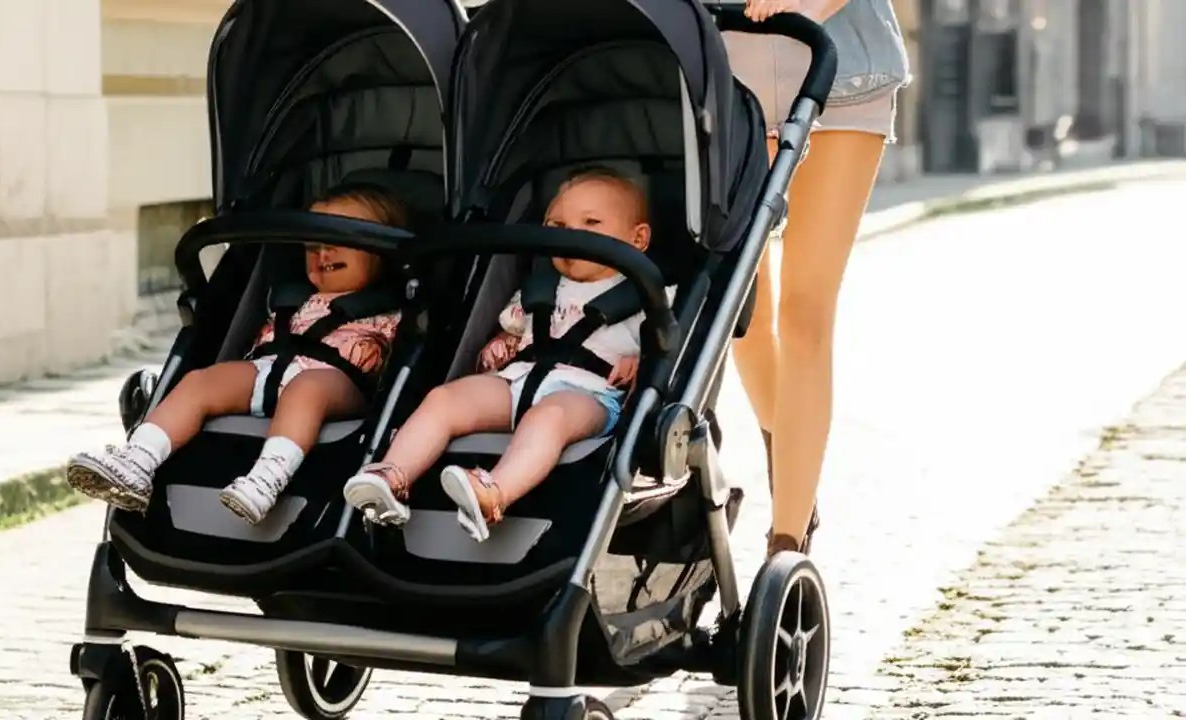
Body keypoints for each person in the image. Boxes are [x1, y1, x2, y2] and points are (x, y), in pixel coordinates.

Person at [341, 167, 658, 542]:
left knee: (549, 418)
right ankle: (391, 475)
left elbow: (669, 343)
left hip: (588, 394)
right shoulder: (538, 289)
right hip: (518, 379)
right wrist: (496, 352)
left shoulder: (647, 293)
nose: (569, 236)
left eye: (590, 223)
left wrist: (643, 359)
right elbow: (506, 335)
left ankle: (494, 494)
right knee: (445, 399)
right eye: (555, 225)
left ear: (637, 238)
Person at [65, 184, 410, 524]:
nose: (323, 254)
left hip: (339, 385)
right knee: (201, 381)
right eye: (312, 245)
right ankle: (137, 461)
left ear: (383, 252)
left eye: (338, 243)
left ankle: (266, 479)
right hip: (268, 369)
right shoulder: (290, 296)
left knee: (307, 389)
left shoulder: (394, 310)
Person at [725, 0, 910, 557]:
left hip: (844, 68)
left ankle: (787, 542)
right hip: (729, 72)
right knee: (743, 312)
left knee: (806, 315)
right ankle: (791, 457)